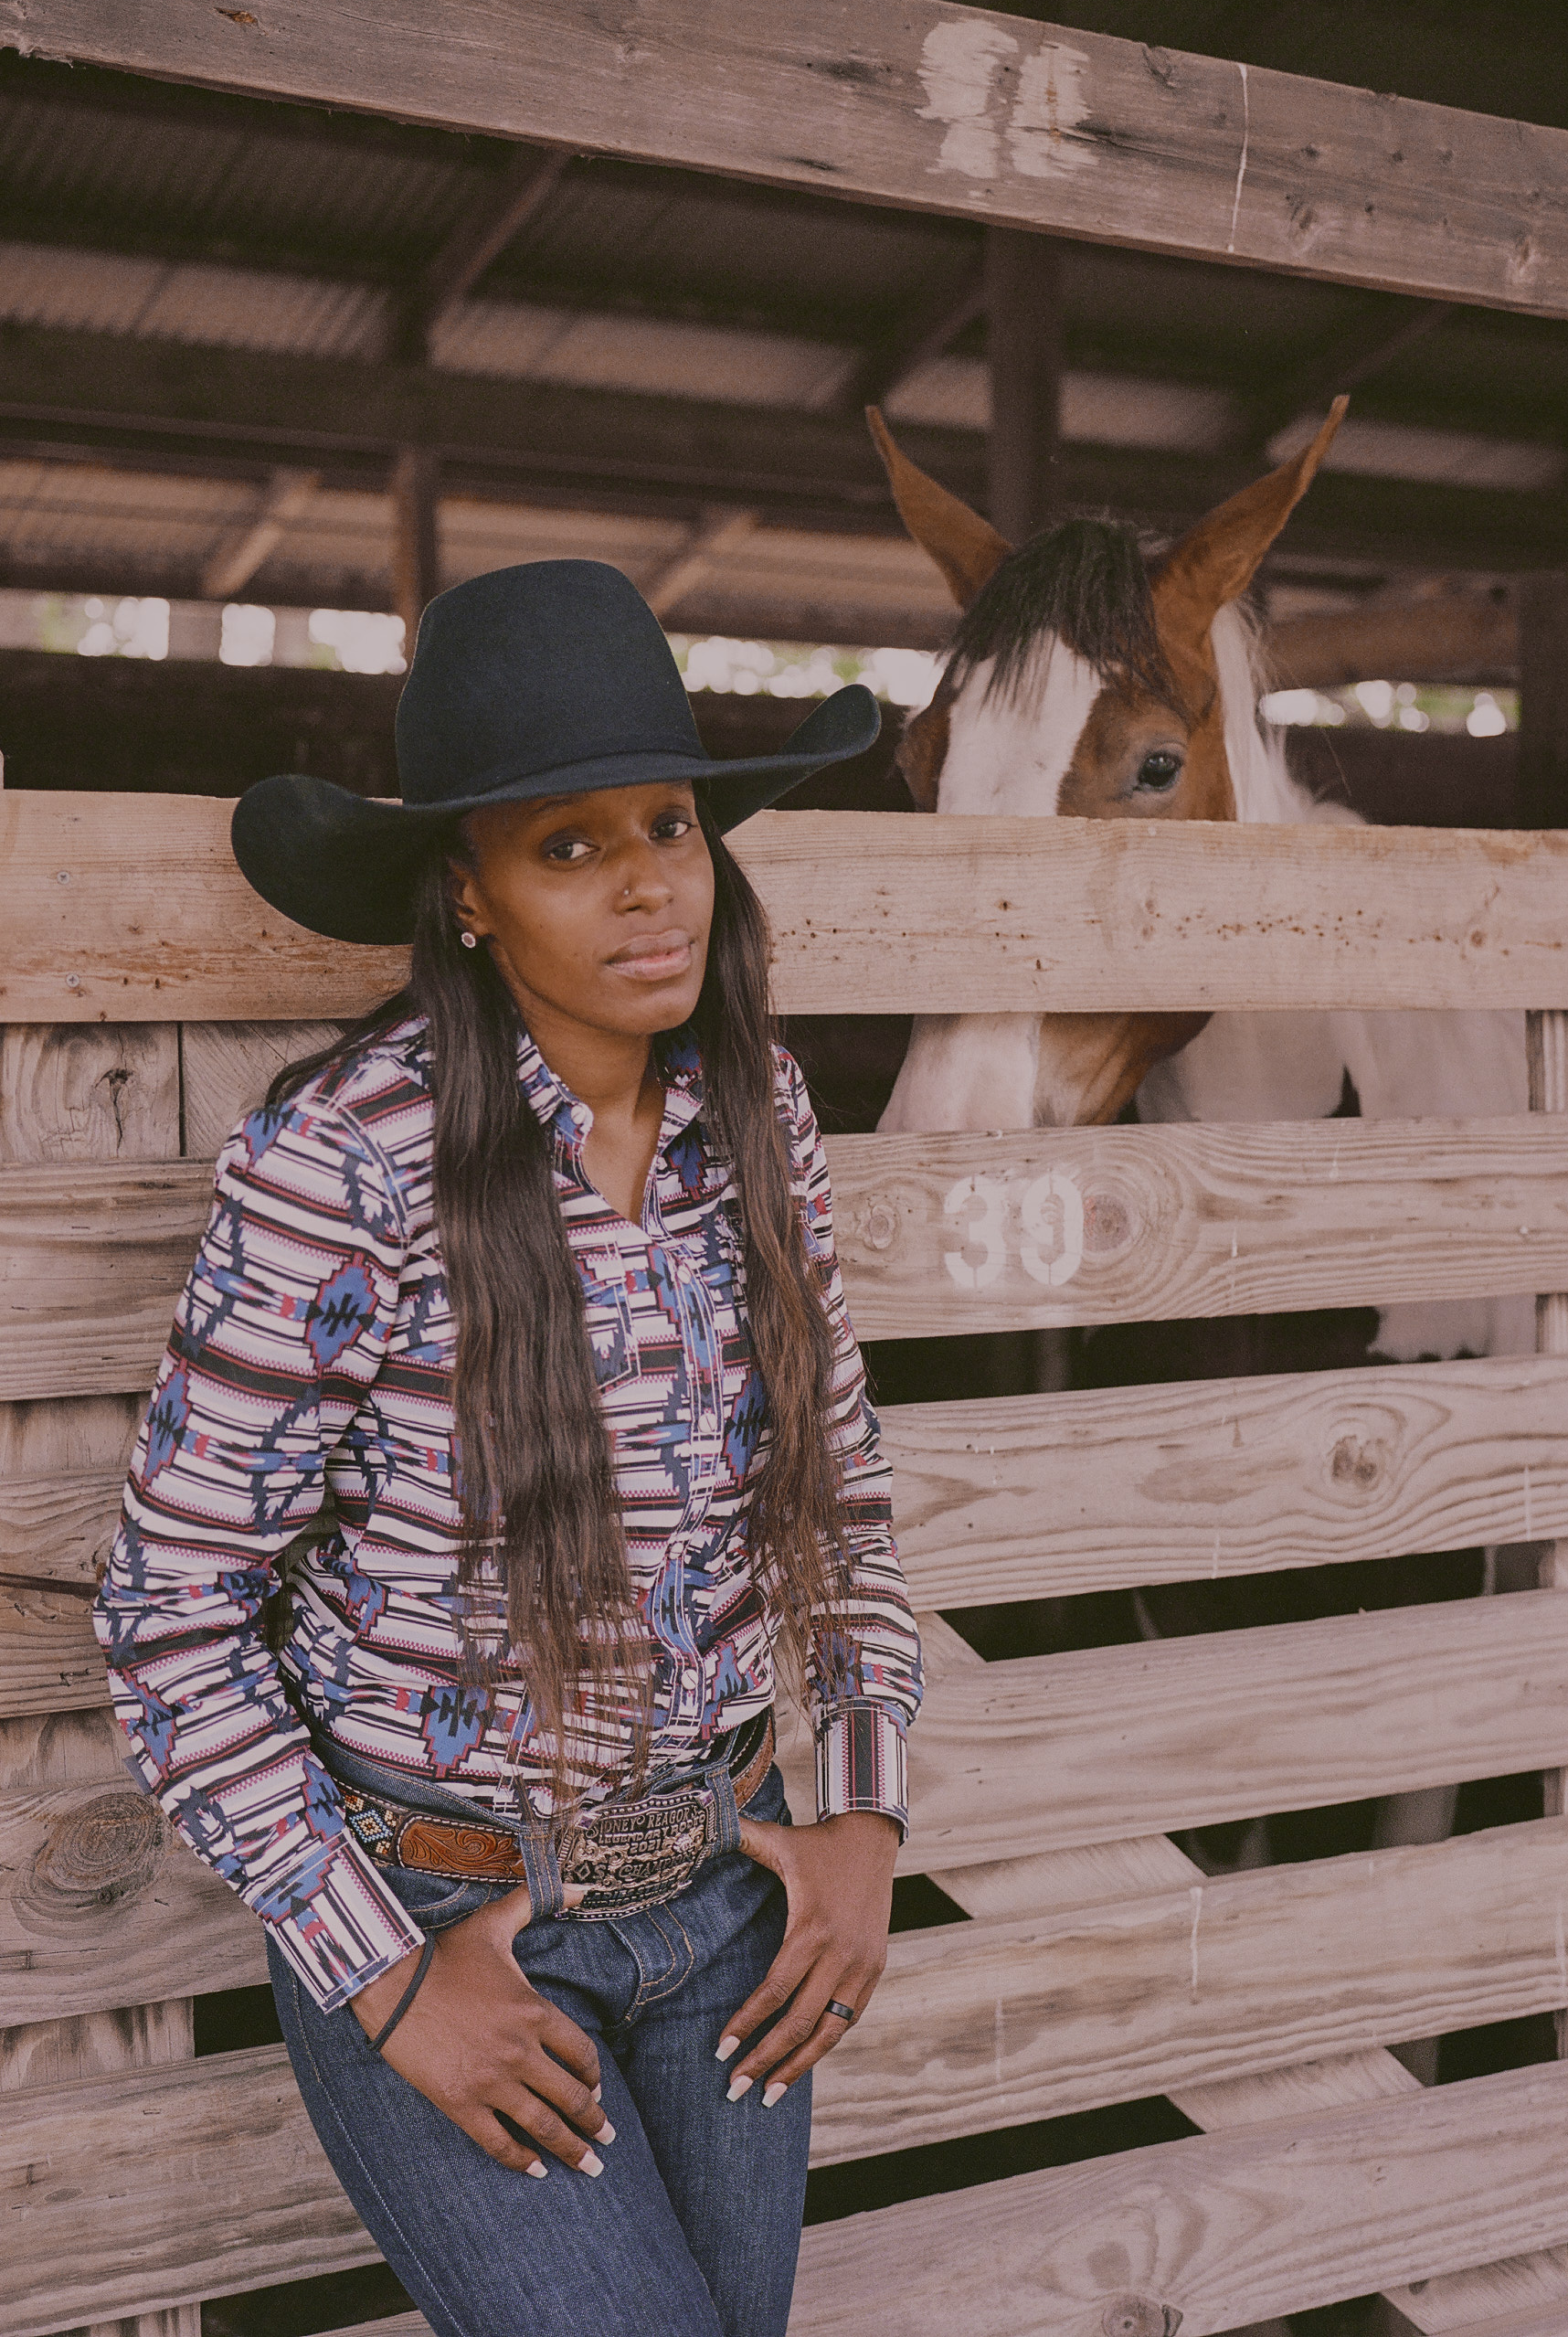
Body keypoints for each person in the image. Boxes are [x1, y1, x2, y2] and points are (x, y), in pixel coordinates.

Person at [93, 559, 923, 2337]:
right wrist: (382, 1983)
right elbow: (170, 1617)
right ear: (463, 894)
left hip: (731, 1900)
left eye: (671, 826)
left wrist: (857, 1807)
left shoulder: (754, 1108)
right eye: (567, 848)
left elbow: (836, 1496)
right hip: (451, 1914)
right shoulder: (344, 1162)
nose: (647, 885)